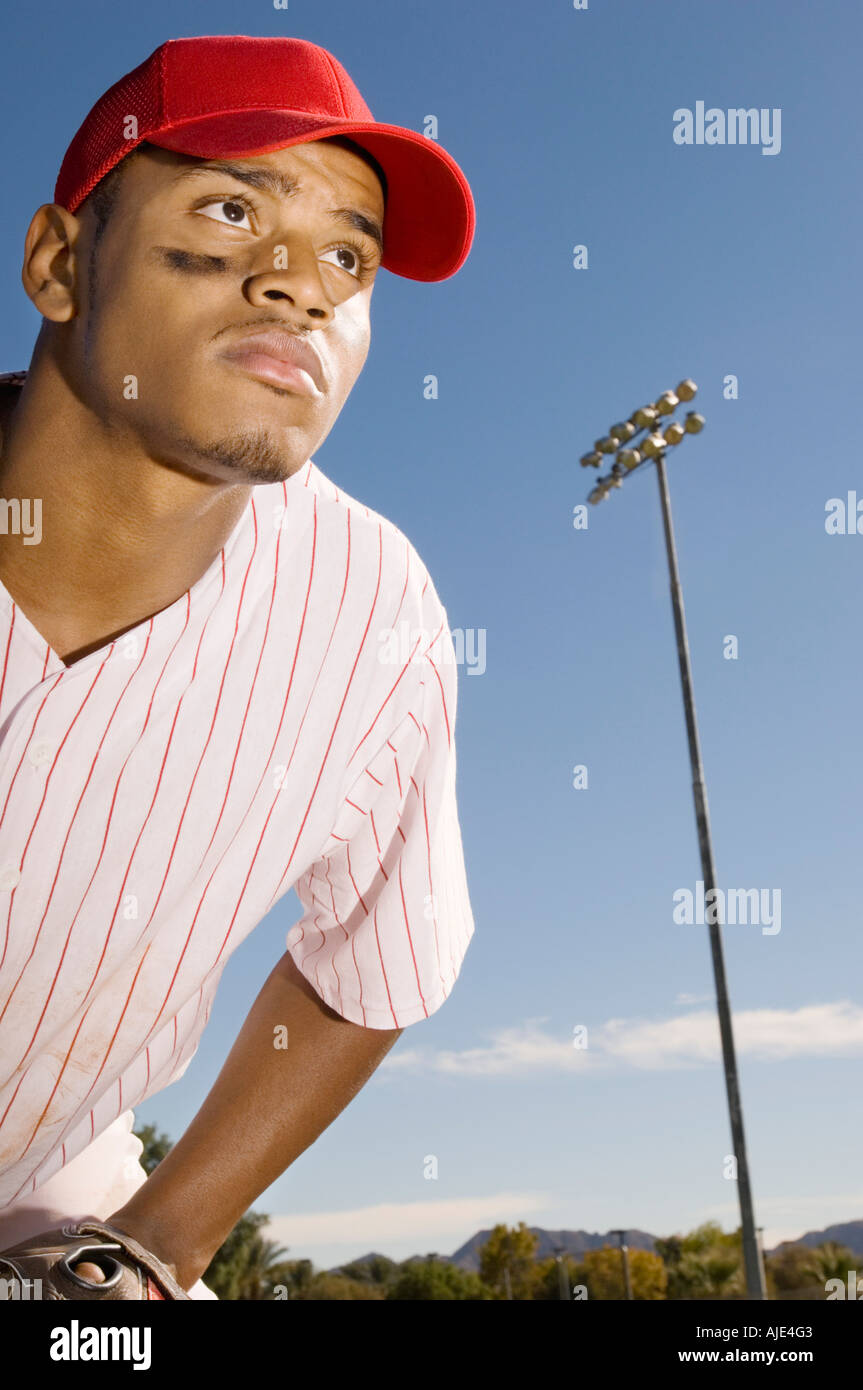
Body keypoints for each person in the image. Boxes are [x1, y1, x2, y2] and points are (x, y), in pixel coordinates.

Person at [0, 34, 476, 1299]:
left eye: (349, 256)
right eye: (230, 208)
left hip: (48, 1204)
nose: (300, 286)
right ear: (59, 263)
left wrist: (154, 1245)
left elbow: (375, 959)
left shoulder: (371, 608)